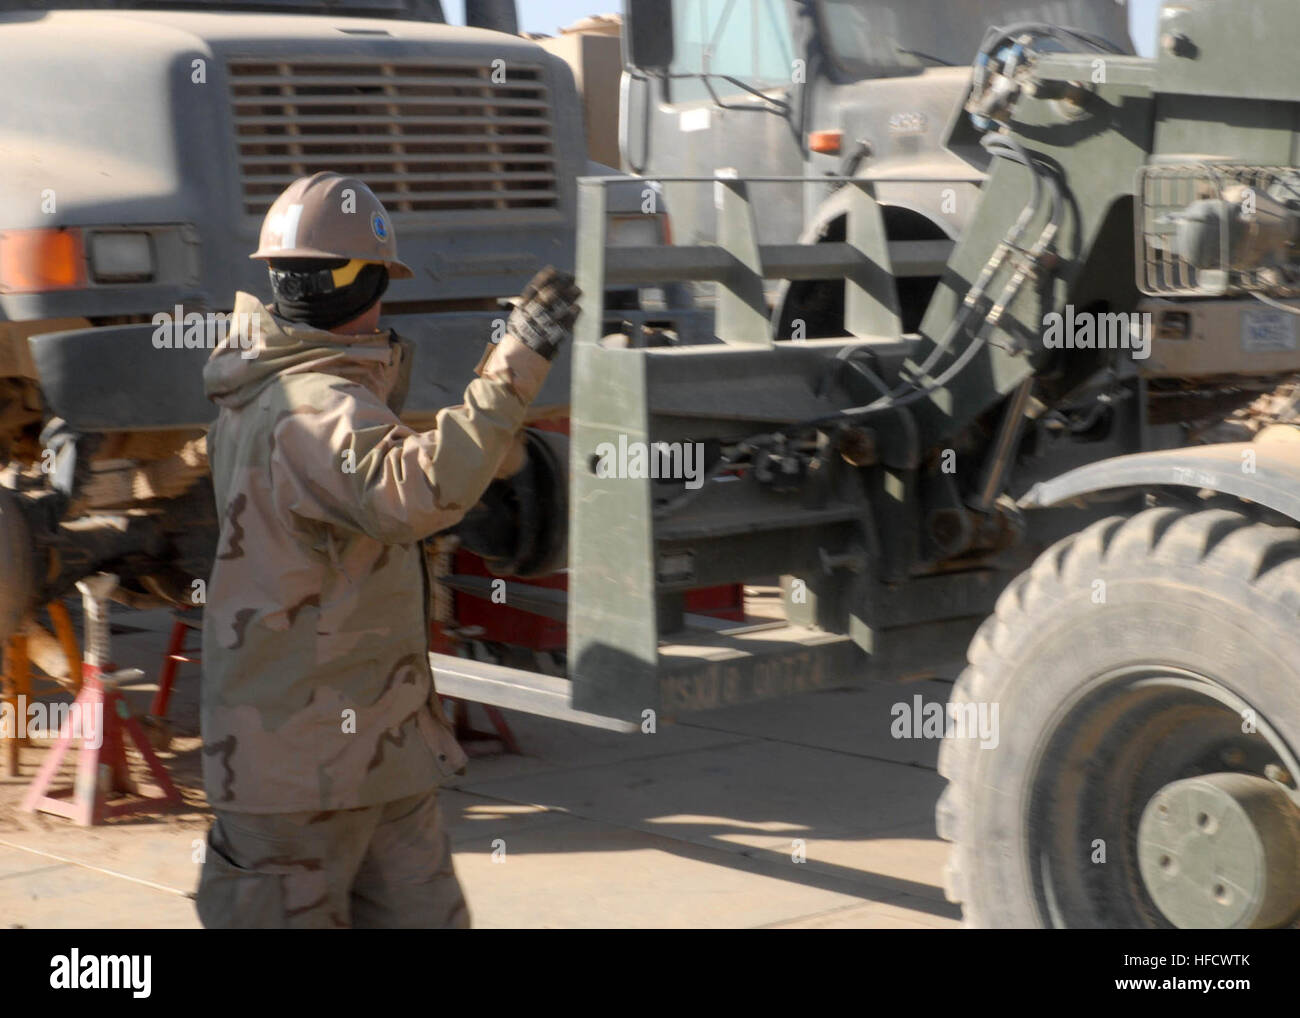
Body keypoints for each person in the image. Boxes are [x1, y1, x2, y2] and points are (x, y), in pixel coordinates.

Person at [195, 171, 579, 928]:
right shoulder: (312, 404)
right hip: (300, 779)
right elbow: (417, 492)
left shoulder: (272, 388)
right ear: (369, 286)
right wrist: (515, 361)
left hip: (375, 759)